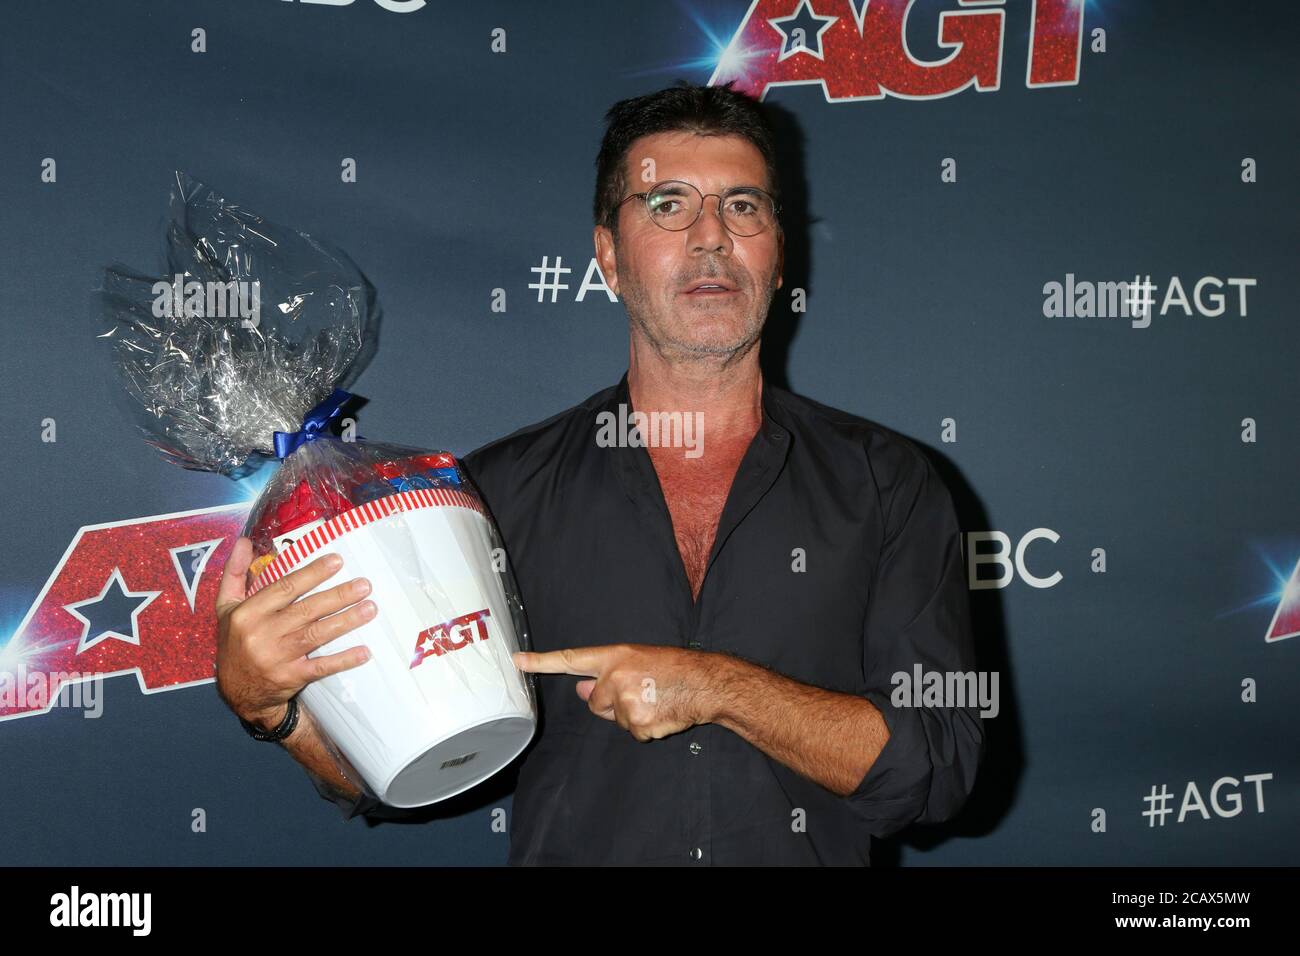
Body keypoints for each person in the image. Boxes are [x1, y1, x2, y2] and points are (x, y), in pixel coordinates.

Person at [214, 81, 985, 865]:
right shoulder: (488, 500)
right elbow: (407, 768)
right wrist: (272, 709)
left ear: (778, 251)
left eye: (743, 206)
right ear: (609, 257)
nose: (712, 236)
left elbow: (936, 768)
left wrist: (715, 688)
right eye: (668, 205)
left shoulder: (887, 483)